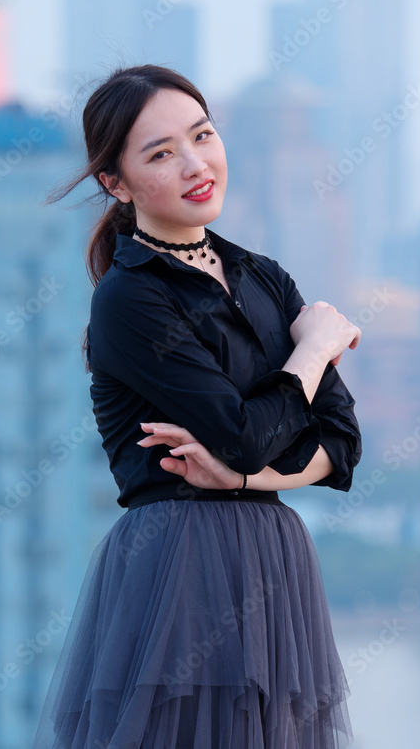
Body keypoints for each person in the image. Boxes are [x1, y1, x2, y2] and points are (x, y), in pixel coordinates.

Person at [32, 64, 362, 749]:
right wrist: (313, 350)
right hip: (176, 567)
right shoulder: (130, 298)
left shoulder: (263, 276)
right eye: (160, 153)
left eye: (202, 137)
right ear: (114, 183)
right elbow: (243, 435)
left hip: (275, 560)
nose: (194, 163)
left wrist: (245, 479)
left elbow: (341, 441)